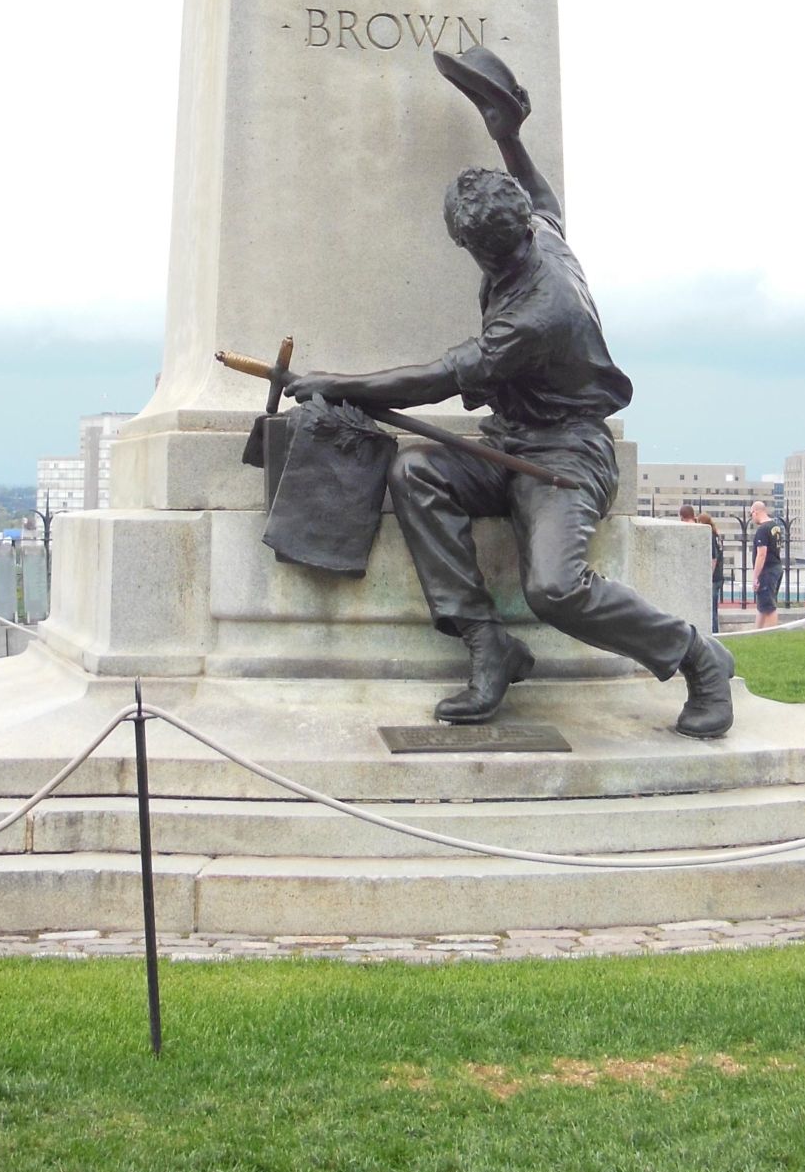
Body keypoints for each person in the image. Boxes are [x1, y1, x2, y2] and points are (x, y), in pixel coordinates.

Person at [285, 49, 736, 739]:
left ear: (475, 248)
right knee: (416, 471)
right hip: (510, 442)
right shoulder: (537, 229)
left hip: (566, 456)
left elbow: (436, 378)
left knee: (554, 588)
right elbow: (543, 196)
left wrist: (333, 384)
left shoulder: (535, 316)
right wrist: (508, 136)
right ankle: (486, 640)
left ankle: (698, 657)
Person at [678, 505, 725, 635]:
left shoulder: (708, 534)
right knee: (712, 609)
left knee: (710, 611)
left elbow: (713, 558)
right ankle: (713, 634)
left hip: (712, 578)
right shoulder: (715, 534)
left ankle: (713, 635)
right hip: (717, 576)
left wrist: (707, 577)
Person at [749, 499, 783, 629]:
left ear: (756, 512)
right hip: (776, 567)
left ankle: (770, 633)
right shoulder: (775, 526)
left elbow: (761, 554)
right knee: (762, 605)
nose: (752, 517)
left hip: (767, 570)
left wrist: (755, 576)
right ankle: (756, 633)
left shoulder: (762, 529)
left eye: (751, 514)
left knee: (769, 607)